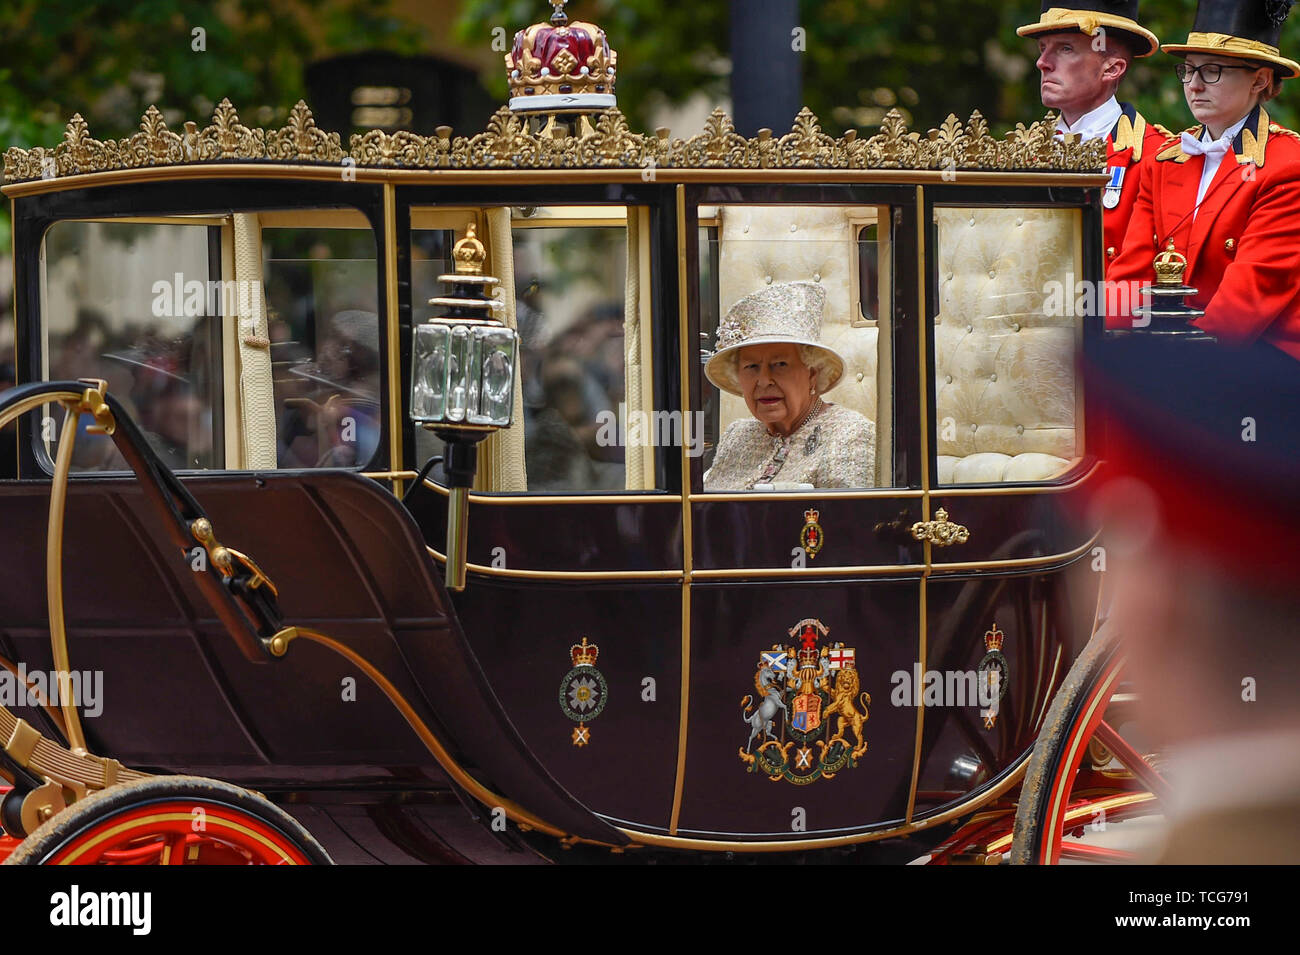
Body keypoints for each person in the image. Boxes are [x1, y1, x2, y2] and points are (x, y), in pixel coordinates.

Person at [1107, 0, 1300, 361]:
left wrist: (1169, 369)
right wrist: (1104, 342)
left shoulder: (1288, 165)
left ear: (1259, 79)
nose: (1193, 85)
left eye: (1212, 71)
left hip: (1258, 363)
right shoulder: (1163, 162)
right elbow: (1130, 275)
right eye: (1188, 70)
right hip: (1169, 355)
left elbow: (1246, 299)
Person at [1018, 1, 1168, 266]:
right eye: (1043, 49)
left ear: (1112, 69)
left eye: (1065, 48)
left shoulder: (1158, 158)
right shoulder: (1019, 153)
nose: (1042, 62)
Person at [703, 281, 874, 491]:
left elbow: (848, 521)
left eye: (780, 364)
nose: (764, 380)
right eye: (752, 366)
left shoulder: (850, 434)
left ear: (812, 373)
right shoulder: (737, 436)